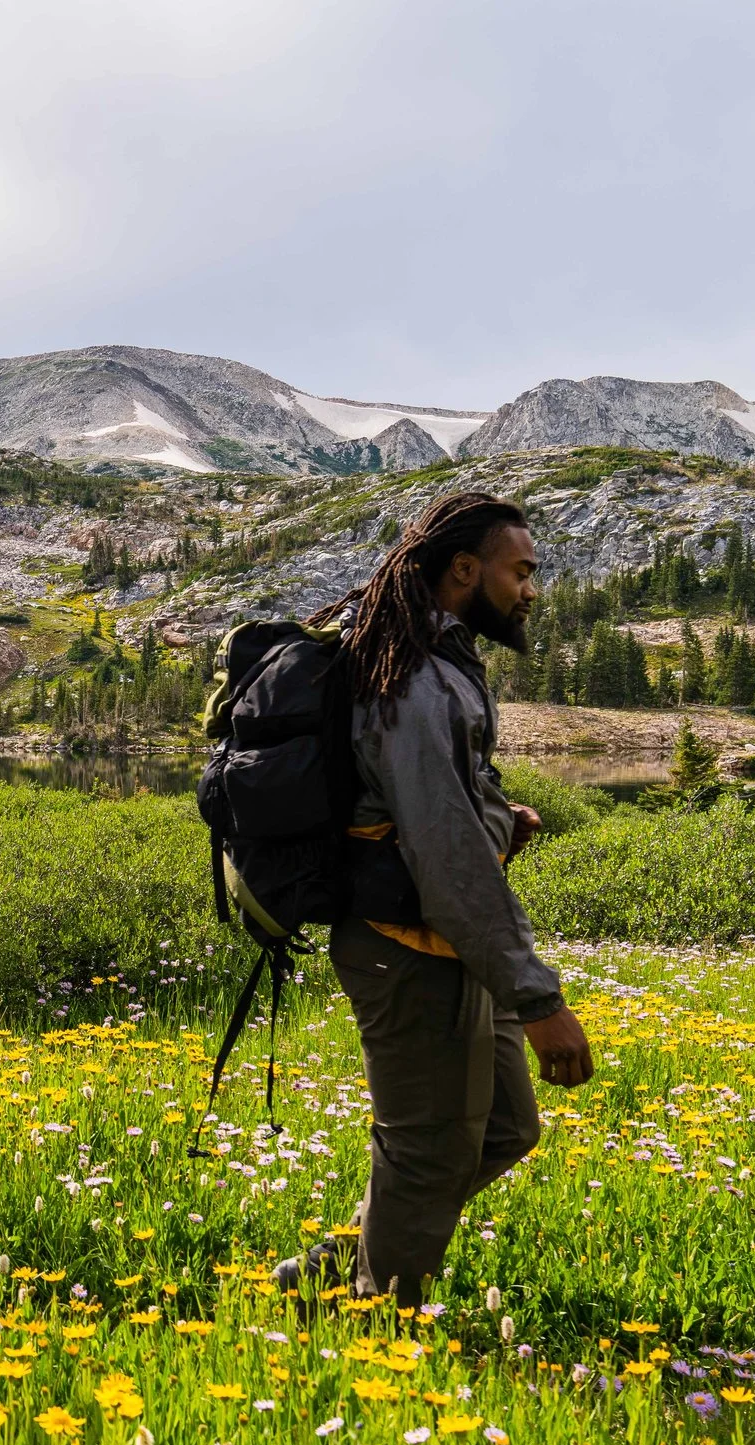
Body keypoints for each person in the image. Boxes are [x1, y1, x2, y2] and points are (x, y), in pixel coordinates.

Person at [280, 491, 596, 1303]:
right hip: (405, 947)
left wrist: (499, 817)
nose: (532, 590)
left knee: (504, 1128)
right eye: (521, 572)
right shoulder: (415, 678)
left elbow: (441, 806)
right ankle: (380, 1336)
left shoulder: (437, 656)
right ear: (464, 569)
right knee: (427, 1151)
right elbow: (446, 855)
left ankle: (335, 1268)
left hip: (443, 941)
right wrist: (538, 1000)